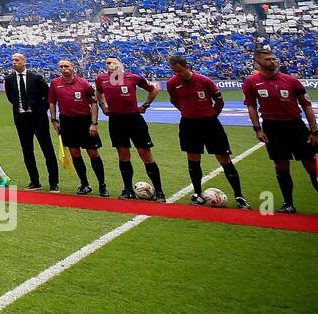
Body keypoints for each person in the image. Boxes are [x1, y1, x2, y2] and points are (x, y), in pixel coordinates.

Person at [165, 55, 247, 209]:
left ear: (186, 66)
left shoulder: (204, 81)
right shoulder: (172, 83)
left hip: (210, 124)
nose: (177, 74)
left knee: (224, 158)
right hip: (188, 124)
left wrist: (212, 115)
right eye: (174, 71)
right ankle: (197, 193)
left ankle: (239, 196)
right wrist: (186, 111)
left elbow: (219, 101)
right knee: (193, 158)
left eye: (180, 70)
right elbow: (174, 100)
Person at [242, 49, 318, 214]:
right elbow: (251, 106)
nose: (272, 61)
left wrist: (314, 131)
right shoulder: (251, 82)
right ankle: (288, 204)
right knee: (281, 165)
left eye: (273, 58)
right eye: (268, 59)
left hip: (296, 126)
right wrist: (257, 129)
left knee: (312, 166)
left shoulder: (291, 81)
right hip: (272, 128)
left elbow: (306, 106)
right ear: (258, 62)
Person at [95, 56, 165, 202]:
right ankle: (127, 190)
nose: (110, 65)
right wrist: (103, 106)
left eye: (114, 62)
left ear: (120, 64)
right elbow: (99, 93)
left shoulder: (133, 77)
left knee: (145, 154)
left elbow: (153, 90)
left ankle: (159, 192)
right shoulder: (101, 79)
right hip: (115, 120)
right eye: (107, 62)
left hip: (134, 119)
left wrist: (145, 105)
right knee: (123, 155)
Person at [49, 58, 107, 196]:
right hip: (67, 122)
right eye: (61, 66)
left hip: (85, 121)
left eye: (66, 66)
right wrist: (54, 120)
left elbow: (93, 103)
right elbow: (52, 102)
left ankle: (102, 186)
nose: (64, 69)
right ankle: (85, 184)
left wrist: (93, 123)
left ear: (73, 67)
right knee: (75, 154)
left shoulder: (84, 83)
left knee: (93, 153)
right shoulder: (55, 83)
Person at [4, 52, 58, 191]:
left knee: (47, 150)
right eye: (13, 60)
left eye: (17, 60)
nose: (14, 62)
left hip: (38, 118)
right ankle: (35, 181)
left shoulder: (36, 77)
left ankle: (53, 183)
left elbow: (48, 97)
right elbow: (11, 98)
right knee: (27, 151)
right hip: (21, 119)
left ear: (24, 61)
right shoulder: (9, 79)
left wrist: (40, 110)